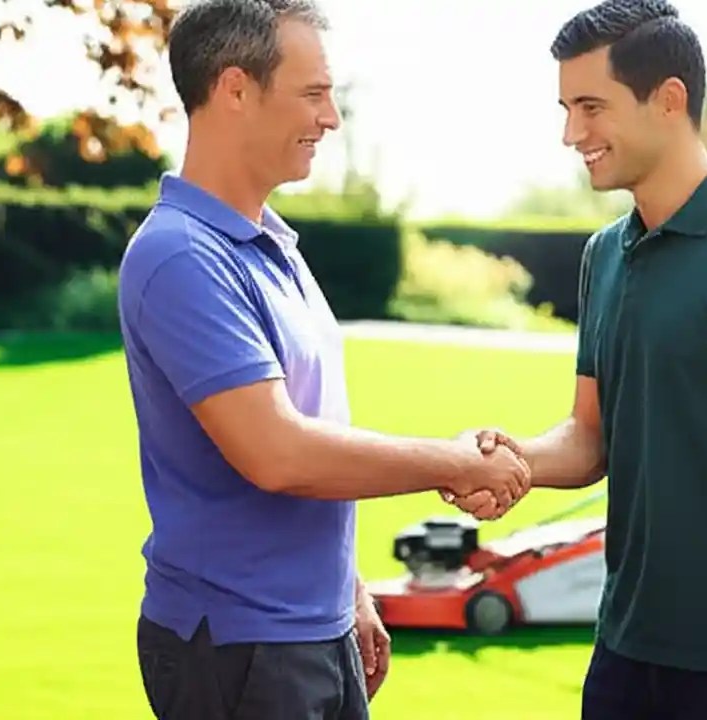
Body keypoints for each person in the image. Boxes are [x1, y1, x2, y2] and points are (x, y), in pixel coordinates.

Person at [114, 1, 531, 718]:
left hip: (308, 628)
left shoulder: (273, 246)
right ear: (236, 89)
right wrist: (455, 462)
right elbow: (279, 452)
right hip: (238, 644)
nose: (331, 118)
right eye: (313, 93)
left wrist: (348, 589)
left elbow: (315, 427)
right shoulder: (181, 255)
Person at [450, 1, 707, 718]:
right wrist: (515, 459)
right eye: (565, 108)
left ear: (669, 100)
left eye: (590, 107)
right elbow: (590, 437)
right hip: (624, 658)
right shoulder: (603, 257)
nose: (571, 133)